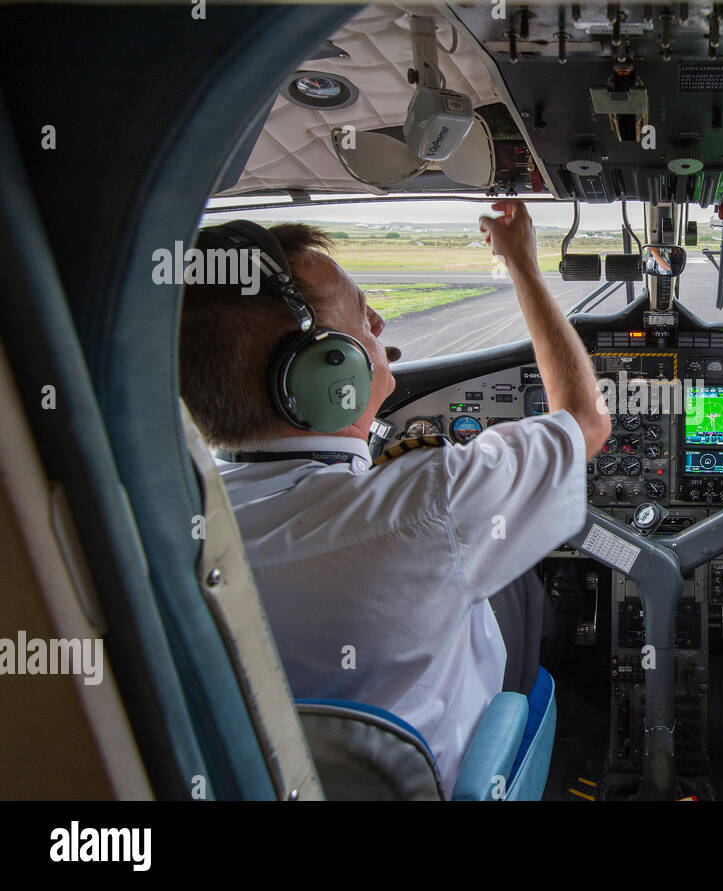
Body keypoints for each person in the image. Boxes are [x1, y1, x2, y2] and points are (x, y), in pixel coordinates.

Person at [179, 200, 609, 793]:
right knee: (517, 582)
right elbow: (586, 421)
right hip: (443, 776)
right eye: (362, 317)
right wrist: (523, 265)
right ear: (322, 370)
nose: (379, 324)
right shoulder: (436, 499)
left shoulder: (173, 528)